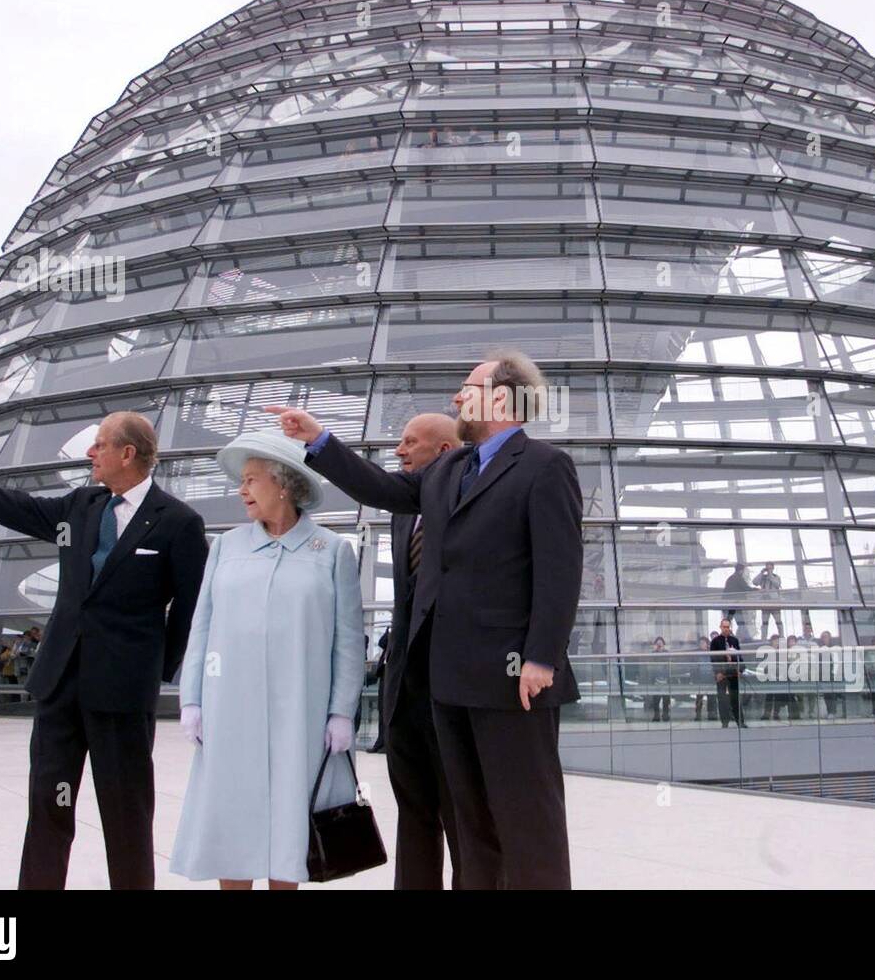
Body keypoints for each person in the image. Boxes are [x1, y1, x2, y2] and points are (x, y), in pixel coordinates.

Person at [269, 349, 583, 890]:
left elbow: (560, 570)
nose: (458, 397)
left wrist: (540, 658)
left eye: (468, 387)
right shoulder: (449, 468)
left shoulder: (544, 466)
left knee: (529, 822)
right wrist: (319, 441)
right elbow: (384, 489)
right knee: (472, 823)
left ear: (502, 398)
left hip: (515, 684)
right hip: (448, 682)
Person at [0, 411, 208, 889]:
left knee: (126, 815)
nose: (89, 453)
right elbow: (12, 506)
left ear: (127, 453)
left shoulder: (179, 522)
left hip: (120, 695)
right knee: (49, 809)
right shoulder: (79, 507)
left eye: (99, 445)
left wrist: (156, 670)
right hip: (61, 687)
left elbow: (190, 607)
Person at [171, 433, 365, 889]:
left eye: (251, 480)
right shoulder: (226, 547)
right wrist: (192, 699)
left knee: (291, 831)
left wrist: (341, 711)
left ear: (282, 485)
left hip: (302, 713)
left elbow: (349, 642)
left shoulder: (333, 551)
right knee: (231, 823)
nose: (242, 490)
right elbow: (202, 625)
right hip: (229, 712)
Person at [378, 412, 464, 890]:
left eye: (411, 442)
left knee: (464, 819)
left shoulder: (471, 503)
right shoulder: (402, 510)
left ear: (446, 451)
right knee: (413, 817)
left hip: (452, 692)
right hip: (404, 695)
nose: (398, 450)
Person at [709, 618, 746, 728]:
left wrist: (740, 670)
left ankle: (740, 721)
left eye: (728, 627)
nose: (726, 629)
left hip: (733, 674)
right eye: (724, 627)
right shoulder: (715, 642)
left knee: (735, 698)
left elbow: (740, 656)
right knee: (722, 699)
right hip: (721, 674)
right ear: (720, 627)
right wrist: (718, 673)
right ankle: (724, 723)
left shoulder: (734, 640)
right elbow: (713, 659)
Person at [721, 563, 754, 638]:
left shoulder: (731, 578)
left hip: (728, 604)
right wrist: (757, 590)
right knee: (740, 621)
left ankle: (726, 636)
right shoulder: (738, 578)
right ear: (741, 571)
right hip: (733, 604)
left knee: (729, 621)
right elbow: (746, 588)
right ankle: (746, 637)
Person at [753, 563, 784, 635]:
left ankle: (782, 636)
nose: (768, 570)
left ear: (773, 568)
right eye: (767, 568)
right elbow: (755, 582)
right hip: (765, 602)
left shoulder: (776, 577)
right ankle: (763, 639)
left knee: (778, 621)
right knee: (764, 622)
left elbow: (777, 584)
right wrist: (761, 573)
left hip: (774, 602)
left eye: (770, 568)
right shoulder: (763, 577)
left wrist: (770, 575)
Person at [645, 637, 671, 722]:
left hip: (666, 680)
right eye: (658, 643)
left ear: (664, 644)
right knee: (656, 699)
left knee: (666, 700)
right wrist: (655, 652)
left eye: (661, 643)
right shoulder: (653, 654)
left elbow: (669, 664)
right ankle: (656, 715)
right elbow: (649, 665)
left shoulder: (667, 653)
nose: (659, 645)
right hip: (656, 680)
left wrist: (662, 652)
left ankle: (665, 715)